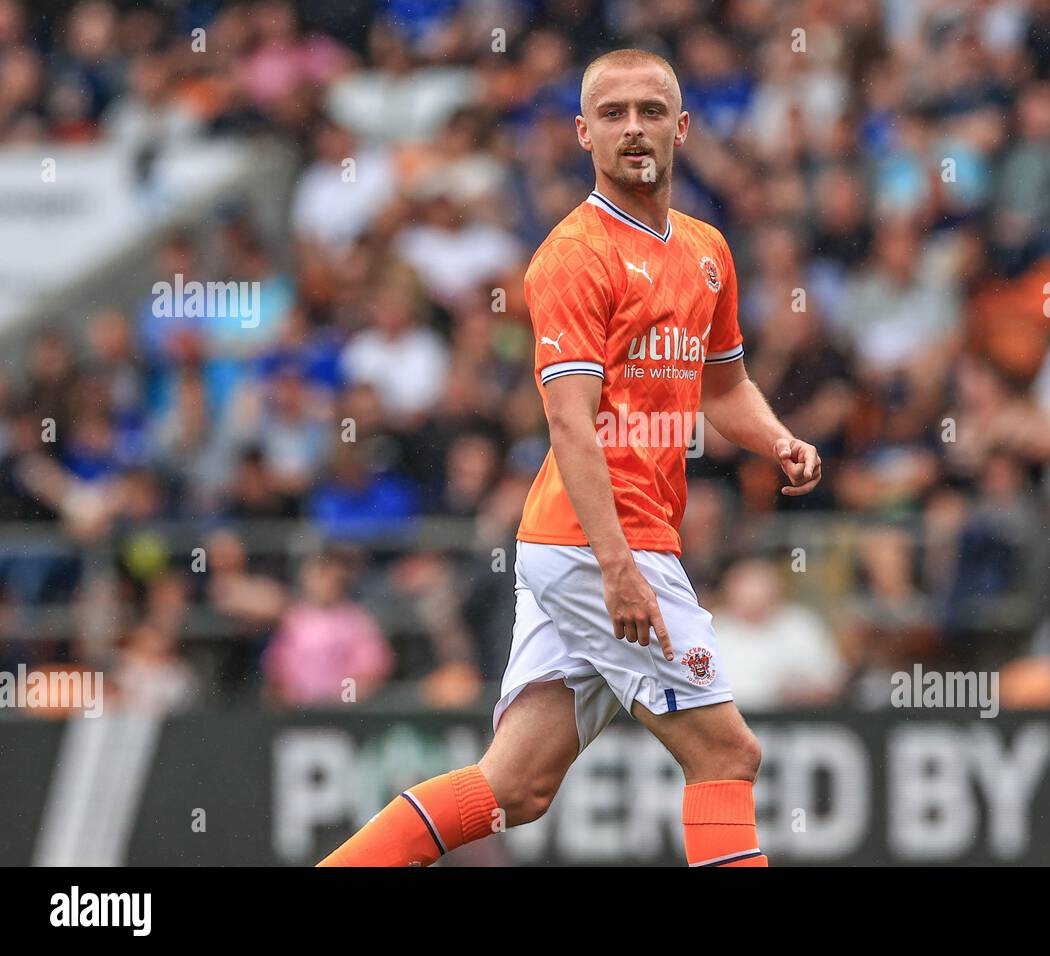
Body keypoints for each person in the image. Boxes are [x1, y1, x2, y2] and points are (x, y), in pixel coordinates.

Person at [319, 48, 822, 868]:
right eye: (614, 114)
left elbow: (724, 388)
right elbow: (569, 423)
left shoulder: (706, 251)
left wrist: (780, 441)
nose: (634, 129)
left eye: (651, 112)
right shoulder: (573, 255)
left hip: (593, 543)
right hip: (603, 541)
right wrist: (616, 565)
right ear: (582, 133)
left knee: (517, 786)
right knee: (727, 755)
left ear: (682, 128)